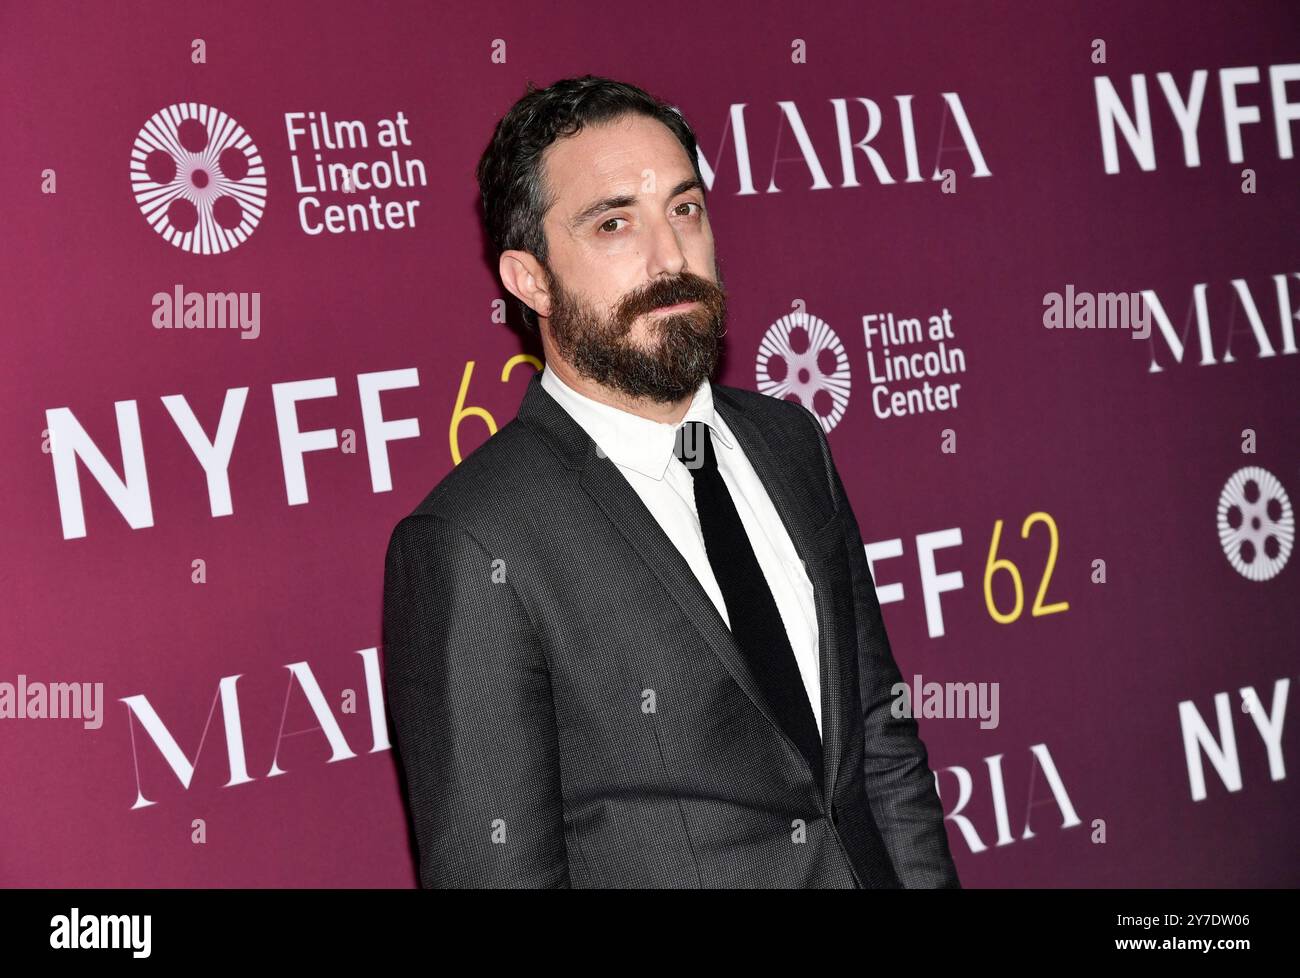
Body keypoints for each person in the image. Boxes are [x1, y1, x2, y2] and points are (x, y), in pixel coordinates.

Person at [382, 74, 960, 888]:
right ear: (530, 279)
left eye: (684, 209)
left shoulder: (789, 444)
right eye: (615, 223)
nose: (670, 257)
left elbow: (883, 749)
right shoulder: (475, 544)